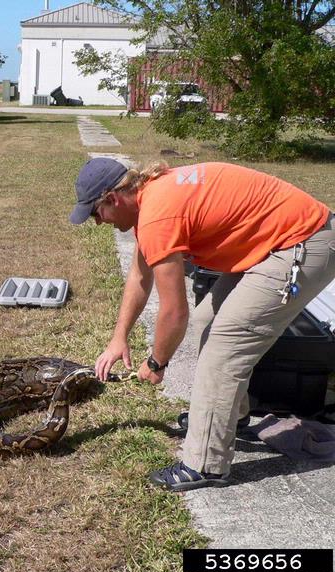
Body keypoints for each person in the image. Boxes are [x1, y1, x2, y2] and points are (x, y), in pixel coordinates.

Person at [69, 158, 335, 491]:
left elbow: (173, 311)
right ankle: (230, 419)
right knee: (209, 318)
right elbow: (140, 276)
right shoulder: (150, 199)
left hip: (304, 242)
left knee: (225, 345)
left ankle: (206, 464)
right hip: (274, 240)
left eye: (95, 213)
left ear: (113, 198)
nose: (96, 222)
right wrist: (118, 338)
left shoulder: (158, 214)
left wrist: (157, 363)